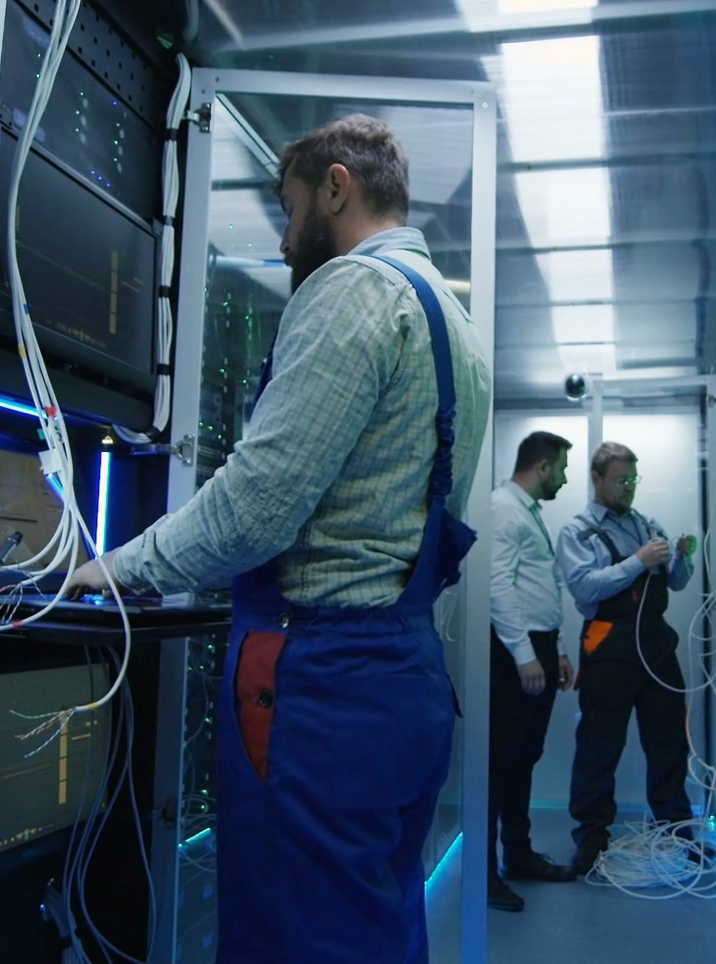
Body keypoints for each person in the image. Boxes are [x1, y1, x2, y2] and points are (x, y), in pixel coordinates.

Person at [63, 115, 492, 964]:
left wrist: (114, 569)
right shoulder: (455, 321)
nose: (289, 238)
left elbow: (256, 508)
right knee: (374, 924)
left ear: (338, 186)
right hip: (402, 677)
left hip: (318, 686)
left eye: (292, 210)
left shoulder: (351, 290)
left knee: (291, 937)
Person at [556, 442, 696, 876]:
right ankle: (592, 842)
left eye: (634, 480)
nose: (629, 489)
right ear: (597, 479)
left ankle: (675, 833)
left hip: (656, 644)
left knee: (669, 741)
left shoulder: (645, 523)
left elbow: (675, 583)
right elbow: (586, 588)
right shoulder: (576, 532)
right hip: (609, 646)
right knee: (600, 747)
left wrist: (680, 558)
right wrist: (638, 561)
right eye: (621, 480)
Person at [486, 431, 579, 911]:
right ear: (542, 466)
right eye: (561, 468)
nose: (564, 477)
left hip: (536, 646)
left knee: (522, 758)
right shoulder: (504, 507)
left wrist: (554, 649)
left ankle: (517, 855)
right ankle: (484, 875)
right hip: (510, 653)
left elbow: (539, 587)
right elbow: (497, 585)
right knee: (499, 762)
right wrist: (524, 654)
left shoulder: (527, 511)